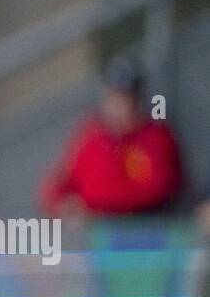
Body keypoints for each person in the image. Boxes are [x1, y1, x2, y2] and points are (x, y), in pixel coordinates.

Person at [40, 56, 183, 217]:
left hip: (146, 227)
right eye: (113, 98)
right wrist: (65, 205)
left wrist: (97, 204)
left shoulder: (155, 136)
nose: (118, 107)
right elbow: (55, 188)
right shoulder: (89, 135)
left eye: (125, 100)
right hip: (95, 231)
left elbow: (159, 188)